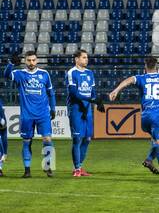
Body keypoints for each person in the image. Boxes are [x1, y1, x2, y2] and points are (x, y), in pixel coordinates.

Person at [107, 56, 159, 174]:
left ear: (145, 67)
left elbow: (128, 80)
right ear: (157, 66)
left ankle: (156, 161)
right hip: (158, 117)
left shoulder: (141, 78)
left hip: (145, 117)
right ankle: (152, 160)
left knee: (154, 139)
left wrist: (116, 90)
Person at [2, 50, 56, 178]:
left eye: (33, 60)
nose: (31, 63)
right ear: (25, 61)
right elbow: (6, 75)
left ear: (36, 60)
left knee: (47, 139)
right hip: (27, 115)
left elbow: (51, 92)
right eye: (29, 60)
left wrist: (53, 108)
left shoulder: (44, 74)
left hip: (43, 113)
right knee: (26, 141)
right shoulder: (20, 74)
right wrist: (10, 64)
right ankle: (27, 170)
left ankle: (48, 167)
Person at [65, 49, 103, 177]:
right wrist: (91, 99)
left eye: (87, 57)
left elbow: (92, 91)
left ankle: (79, 167)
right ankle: (76, 169)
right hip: (75, 109)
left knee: (87, 138)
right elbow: (73, 93)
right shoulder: (72, 73)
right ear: (76, 59)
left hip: (87, 109)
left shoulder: (89, 73)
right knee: (77, 139)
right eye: (84, 57)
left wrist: (98, 102)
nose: (86, 59)